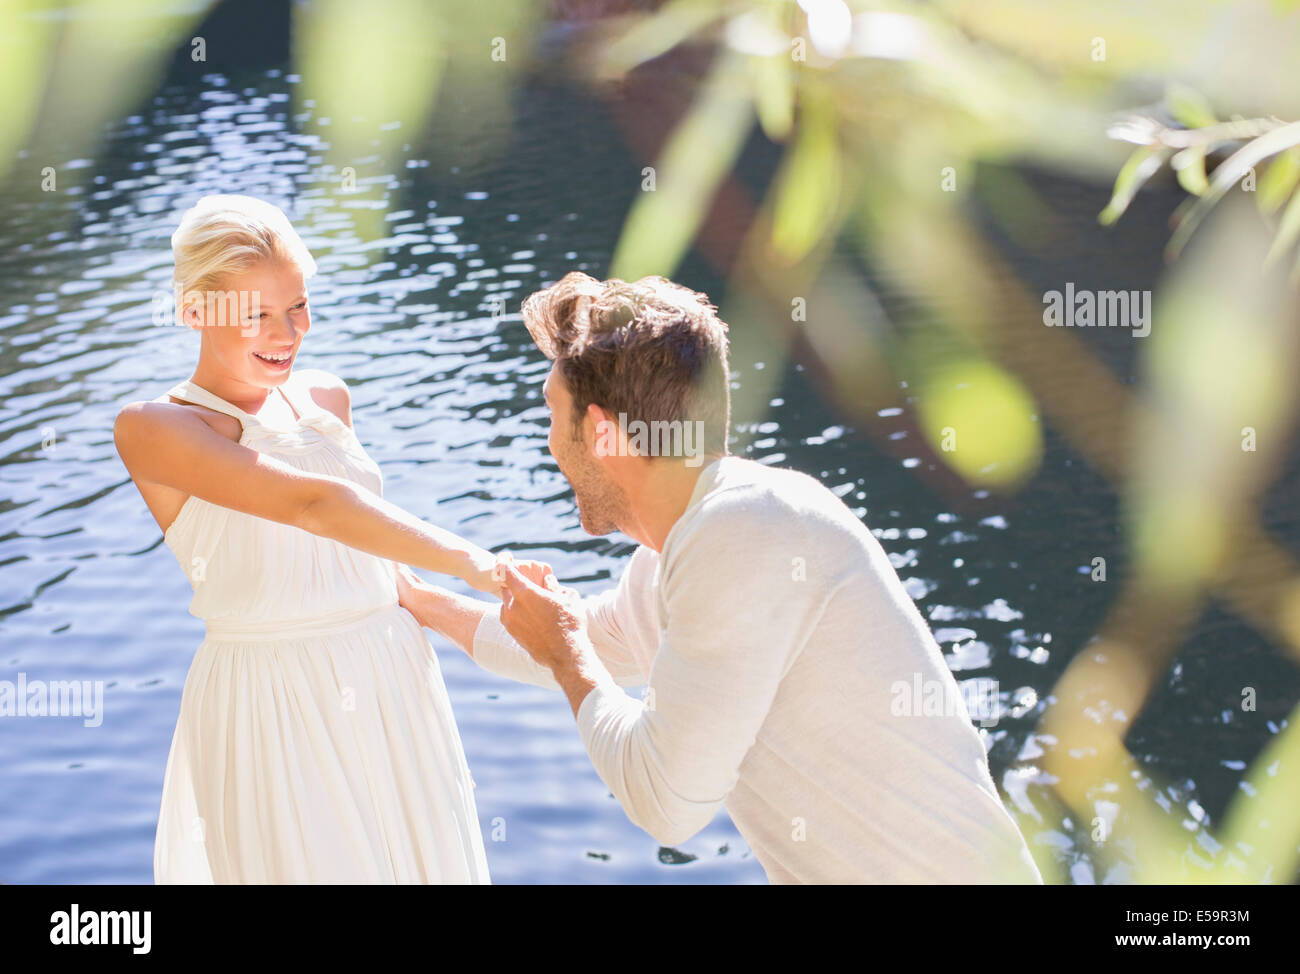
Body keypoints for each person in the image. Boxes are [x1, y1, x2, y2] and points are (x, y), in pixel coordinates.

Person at [398, 271, 1045, 883]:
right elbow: (574, 639)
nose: (548, 444)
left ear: (600, 433)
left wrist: (567, 653)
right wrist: (419, 601)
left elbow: (667, 803)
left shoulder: (743, 530)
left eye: (552, 415)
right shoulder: (677, 555)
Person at [114, 194, 541, 883]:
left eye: (298, 306)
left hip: (393, 677)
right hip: (274, 696)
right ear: (194, 311)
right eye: (257, 314)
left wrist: (498, 622)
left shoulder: (326, 399)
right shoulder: (155, 427)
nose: (288, 332)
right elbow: (313, 504)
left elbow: (368, 560)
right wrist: (479, 564)